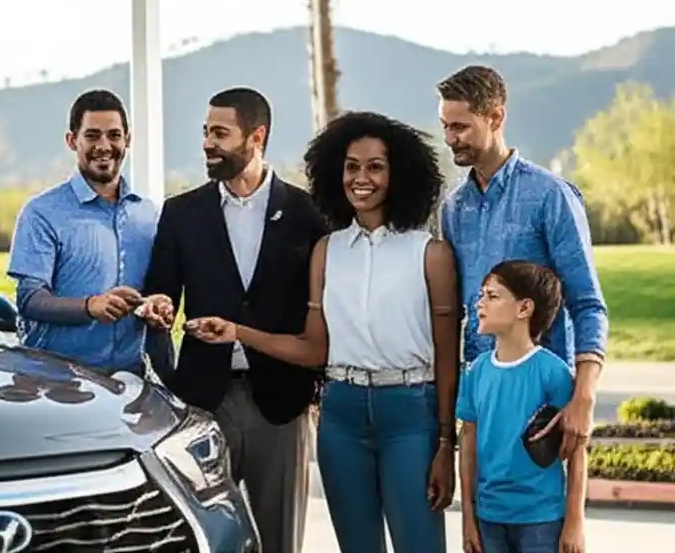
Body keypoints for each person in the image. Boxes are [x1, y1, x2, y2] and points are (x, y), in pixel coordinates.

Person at [187, 111, 460, 553]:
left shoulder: (430, 254)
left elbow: (449, 355)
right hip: (341, 417)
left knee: (421, 546)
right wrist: (236, 332)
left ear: (400, 173)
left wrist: (446, 442)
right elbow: (315, 349)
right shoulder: (327, 251)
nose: (361, 178)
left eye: (375, 166)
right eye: (351, 166)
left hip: (411, 414)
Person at [143, 87, 326, 553]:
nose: (208, 143)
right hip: (204, 401)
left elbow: (321, 309)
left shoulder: (308, 214)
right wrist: (160, 306)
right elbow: (161, 289)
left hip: (281, 403)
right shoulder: (181, 213)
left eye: (220, 133)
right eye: (206, 132)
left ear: (256, 136)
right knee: (202, 538)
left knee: (281, 539)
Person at [437, 65, 608, 458]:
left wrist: (583, 398)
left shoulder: (551, 195)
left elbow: (588, 305)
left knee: (546, 518)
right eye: (446, 126)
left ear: (495, 117)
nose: (450, 138)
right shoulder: (453, 208)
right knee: (484, 516)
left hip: (545, 406)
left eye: (460, 126)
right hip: (483, 405)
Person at [6, 88, 173, 375]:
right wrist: (90, 306)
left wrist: (157, 305)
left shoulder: (148, 215)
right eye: (92, 135)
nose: (104, 145)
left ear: (127, 140)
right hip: (57, 382)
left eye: (114, 135)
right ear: (72, 141)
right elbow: (30, 300)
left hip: (130, 383)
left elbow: (153, 291)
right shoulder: (41, 212)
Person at [457, 260, 586, 553]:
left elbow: (577, 452)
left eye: (492, 296)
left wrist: (574, 522)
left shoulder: (553, 372)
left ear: (524, 308)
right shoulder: (476, 372)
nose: (480, 304)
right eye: (481, 295)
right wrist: (468, 516)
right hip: (489, 518)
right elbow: (468, 442)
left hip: (542, 520)